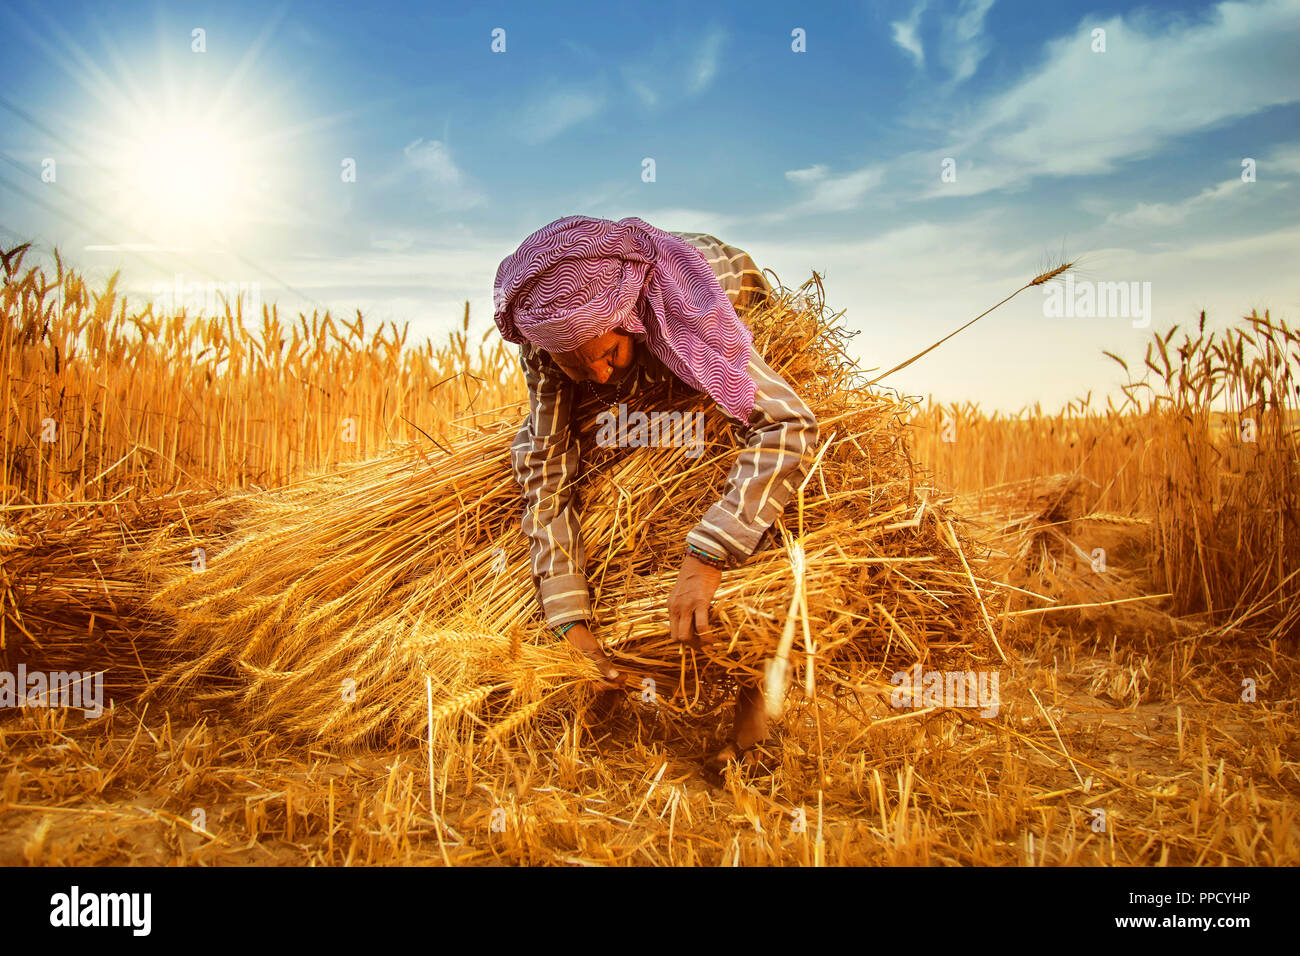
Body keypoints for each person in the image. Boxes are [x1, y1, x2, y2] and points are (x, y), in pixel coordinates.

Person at [493, 215, 819, 775]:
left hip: (722, 309)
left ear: (628, 320)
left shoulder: (693, 304)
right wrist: (570, 617)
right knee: (619, 455)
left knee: (734, 472)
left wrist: (707, 555)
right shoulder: (550, 338)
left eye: (607, 355)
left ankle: (754, 701)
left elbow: (786, 424)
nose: (595, 375)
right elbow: (545, 473)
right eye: (575, 364)